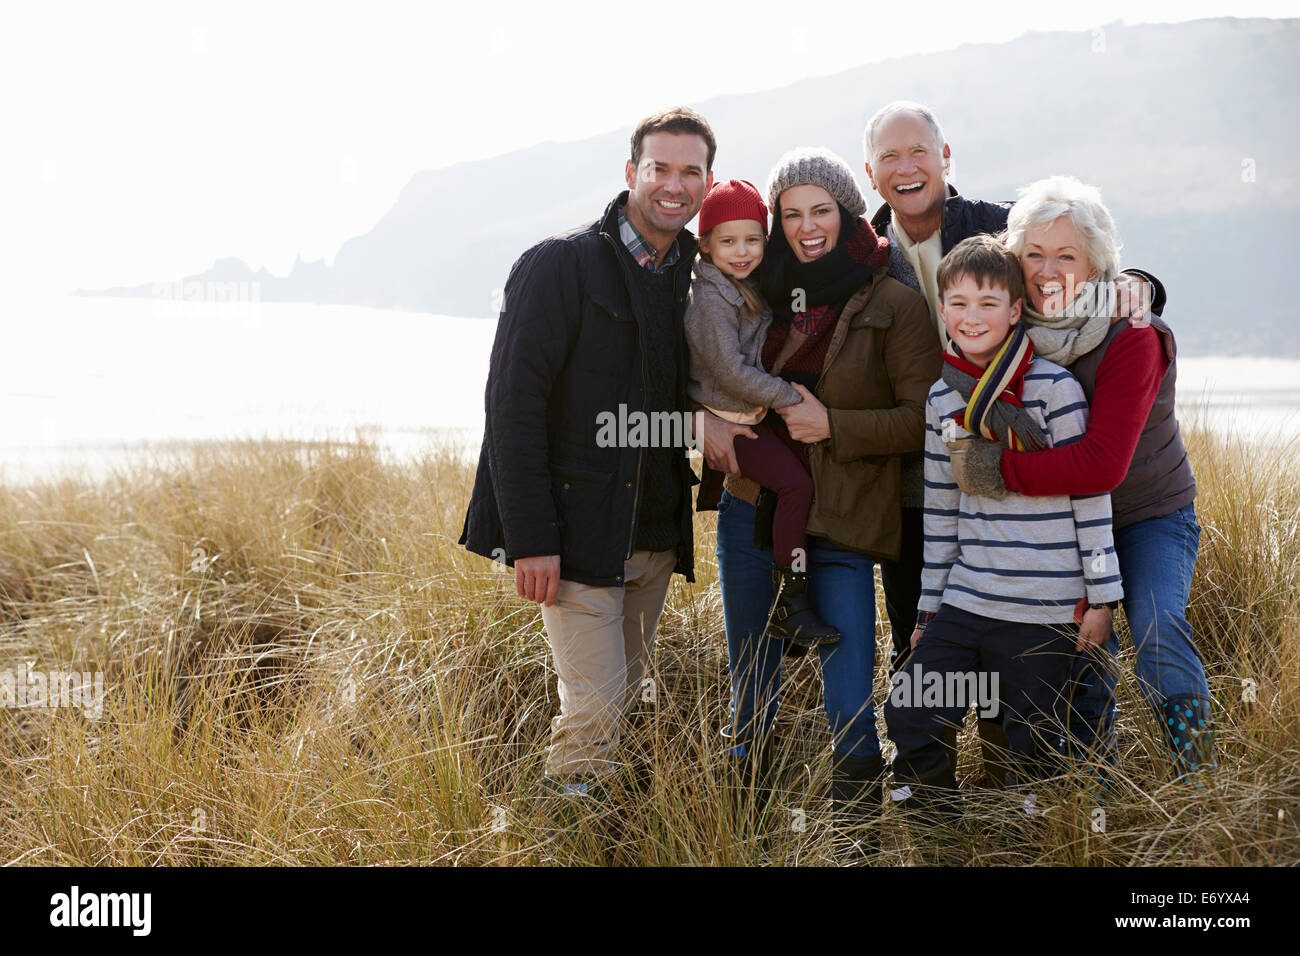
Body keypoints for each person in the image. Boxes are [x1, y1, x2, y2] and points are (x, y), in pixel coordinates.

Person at [861, 100, 1165, 784]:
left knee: (1033, 725)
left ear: (945, 159)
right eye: (888, 156)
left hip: (1040, 568)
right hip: (926, 492)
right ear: (872, 173)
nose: (906, 167)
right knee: (918, 683)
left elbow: (1077, 254)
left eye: (920, 151)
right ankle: (934, 825)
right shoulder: (867, 257)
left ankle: (1028, 810)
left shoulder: (997, 235)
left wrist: (1100, 591)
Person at [459, 107, 716, 805]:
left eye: (690, 171)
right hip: (576, 543)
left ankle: (590, 831)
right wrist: (531, 540)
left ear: (706, 181)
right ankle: (559, 837)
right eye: (659, 168)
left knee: (616, 710)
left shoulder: (694, 277)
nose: (674, 184)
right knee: (593, 721)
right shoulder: (560, 267)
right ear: (631, 173)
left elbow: (663, 407)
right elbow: (511, 410)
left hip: (655, 541)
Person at [698, 147, 940, 853]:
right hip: (753, 508)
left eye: (821, 211)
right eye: (791, 214)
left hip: (844, 520)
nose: (807, 227)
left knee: (848, 693)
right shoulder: (759, 288)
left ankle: (855, 838)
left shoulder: (891, 301)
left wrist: (834, 425)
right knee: (751, 679)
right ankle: (743, 833)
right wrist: (697, 418)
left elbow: (925, 419)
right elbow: (705, 364)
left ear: (847, 211)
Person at [949, 176, 1213, 776]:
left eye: (1066, 255)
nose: (1048, 270)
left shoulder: (1133, 334)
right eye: (1034, 254)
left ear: (1098, 265)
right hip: (1059, 521)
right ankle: (1092, 783)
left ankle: (1197, 772)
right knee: (1079, 649)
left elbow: (1102, 463)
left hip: (1147, 515)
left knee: (1155, 623)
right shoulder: (1006, 332)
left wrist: (996, 471)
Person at [884, 234, 1122, 830]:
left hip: (1043, 605)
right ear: (943, 311)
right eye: (958, 303)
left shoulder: (1054, 389)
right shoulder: (943, 397)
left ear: (1015, 311)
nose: (972, 317)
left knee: (1034, 739)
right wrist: (927, 614)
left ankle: (1031, 838)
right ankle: (939, 832)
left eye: (988, 303)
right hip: (967, 599)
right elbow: (941, 516)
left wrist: (1102, 595)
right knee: (911, 707)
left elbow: (1090, 495)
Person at [685, 178, 839, 649]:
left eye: (752, 239)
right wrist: (789, 397)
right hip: (729, 417)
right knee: (796, 485)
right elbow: (730, 372)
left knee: (797, 481)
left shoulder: (745, 285)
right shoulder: (710, 299)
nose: (741, 251)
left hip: (749, 412)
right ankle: (792, 601)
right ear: (705, 244)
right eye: (728, 241)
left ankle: (786, 600)